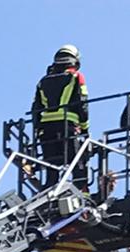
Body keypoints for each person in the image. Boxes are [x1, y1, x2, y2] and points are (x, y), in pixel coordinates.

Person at [32, 45, 89, 181]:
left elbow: (36, 108)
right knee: (77, 162)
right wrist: (85, 128)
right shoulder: (76, 77)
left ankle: (50, 189)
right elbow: (82, 103)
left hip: (46, 129)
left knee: (51, 166)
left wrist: (37, 129)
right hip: (67, 126)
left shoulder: (43, 81)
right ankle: (83, 190)